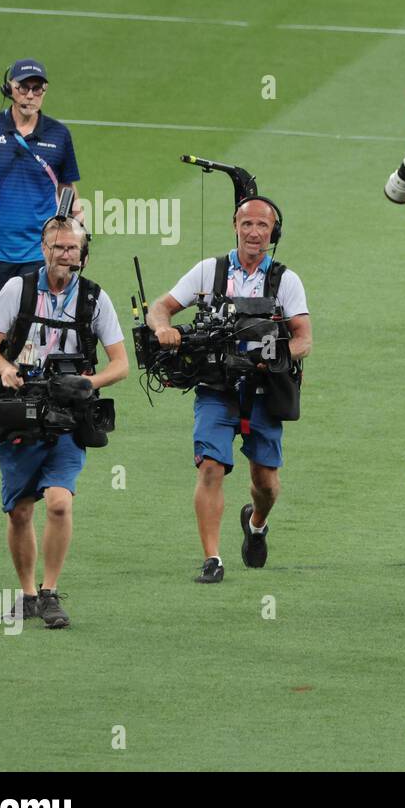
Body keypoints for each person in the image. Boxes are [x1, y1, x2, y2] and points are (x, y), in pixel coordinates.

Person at [146, 198, 313, 583]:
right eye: (248, 224)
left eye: (263, 226)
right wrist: (162, 329)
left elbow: (304, 338)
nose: (255, 232)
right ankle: (212, 559)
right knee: (210, 468)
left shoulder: (285, 280)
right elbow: (161, 306)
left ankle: (256, 524)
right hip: (216, 388)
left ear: (274, 232)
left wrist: (275, 357)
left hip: (264, 391)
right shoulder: (211, 271)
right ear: (235, 226)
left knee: (266, 484)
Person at [0, 214, 128, 628]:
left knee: (60, 503)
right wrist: (6, 368)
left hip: (68, 416)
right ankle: (27, 594)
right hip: (18, 412)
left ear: (83, 254)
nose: (64, 254)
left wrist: (87, 382)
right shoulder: (17, 289)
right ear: (43, 249)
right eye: (57, 246)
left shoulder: (96, 299)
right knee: (20, 511)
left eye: (71, 248)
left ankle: (49, 592)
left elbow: (121, 364)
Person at [0, 59, 82, 320]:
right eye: (23, 87)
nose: (30, 95)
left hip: (40, 252)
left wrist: (77, 240)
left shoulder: (59, 135)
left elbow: (68, 190)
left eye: (37, 88)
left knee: (38, 332)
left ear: (44, 91)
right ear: (9, 89)